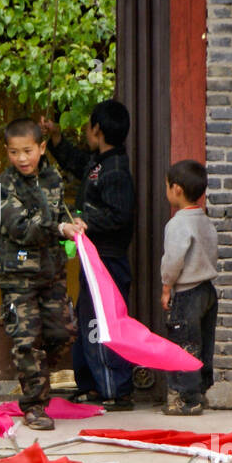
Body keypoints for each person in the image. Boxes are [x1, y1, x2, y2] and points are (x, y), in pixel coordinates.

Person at [41, 100, 136, 409]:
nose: (85, 131)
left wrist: (89, 222)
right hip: (94, 259)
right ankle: (93, 386)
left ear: (98, 129)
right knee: (88, 320)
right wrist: (55, 139)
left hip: (109, 261)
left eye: (88, 126)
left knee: (103, 323)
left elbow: (120, 216)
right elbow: (76, 161)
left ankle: (116, 390)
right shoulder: (100, 162)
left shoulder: (117, 170)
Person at [0, 119, 85, 430]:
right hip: (17, 277)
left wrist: (74, 223)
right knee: (26, 340)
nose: (21, 159)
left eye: (28, 151)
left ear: (42, 148)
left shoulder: (52, 178)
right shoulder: (3, 185)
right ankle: (34, 405)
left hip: (52, 273)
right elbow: (20, 227)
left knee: (65, 332)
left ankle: (38, 380)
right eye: (14, 152)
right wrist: (58, 228)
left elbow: (60, 212)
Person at [159, 160, 219, 415]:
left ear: (177, 189)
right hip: (207, 291)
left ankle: (188, 398)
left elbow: (173, 260)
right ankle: (201, 390)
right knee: (203, 342)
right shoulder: (204, 220)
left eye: (167, 186)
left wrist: (166, 287)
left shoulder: (177, 223)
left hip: (187, 292)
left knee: (184, 344)